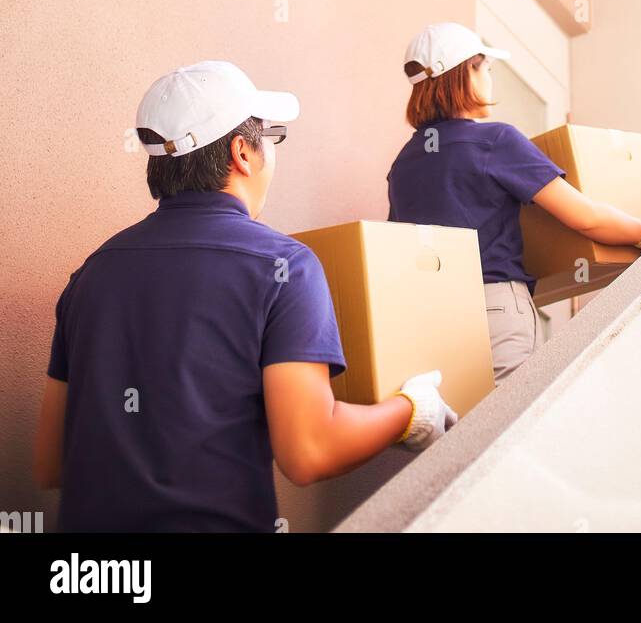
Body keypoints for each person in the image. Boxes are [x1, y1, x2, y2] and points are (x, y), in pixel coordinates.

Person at [34, 60, 456, 533]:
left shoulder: (91, 275)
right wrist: (412, 410)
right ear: (242, 152)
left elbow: (52, 464)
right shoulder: (283, 266)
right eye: (271, 138)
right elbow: (309, 451)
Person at [386, 23, 641, 385]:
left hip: (430, 315)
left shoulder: (404, 163)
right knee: (507, 429)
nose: (490, 79)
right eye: (486, 68)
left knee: (458, 436)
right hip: (495, 309)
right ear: (465, 74)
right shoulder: (495, 141)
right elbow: (586, 218)